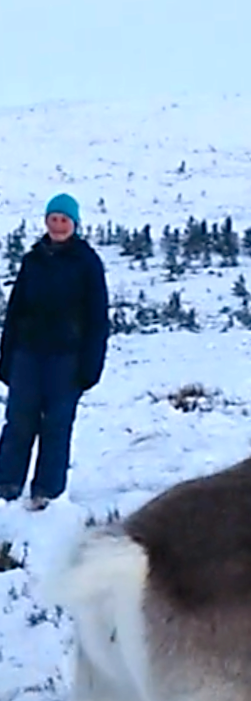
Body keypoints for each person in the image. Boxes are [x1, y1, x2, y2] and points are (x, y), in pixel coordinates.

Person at [0, 193, 109, 510]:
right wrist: (6, 357)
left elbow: (98, 318)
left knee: (56, 426)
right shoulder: (33, 260)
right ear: (46, 222)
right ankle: (5, 485)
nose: (58, 225)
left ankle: (47, 493)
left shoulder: (87, 263)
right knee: (18, 421)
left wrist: (90, 367)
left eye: (64, 220)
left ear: (74, 224)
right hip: (27, 356)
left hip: (67, 360)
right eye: (53, 219)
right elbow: (16, 311)